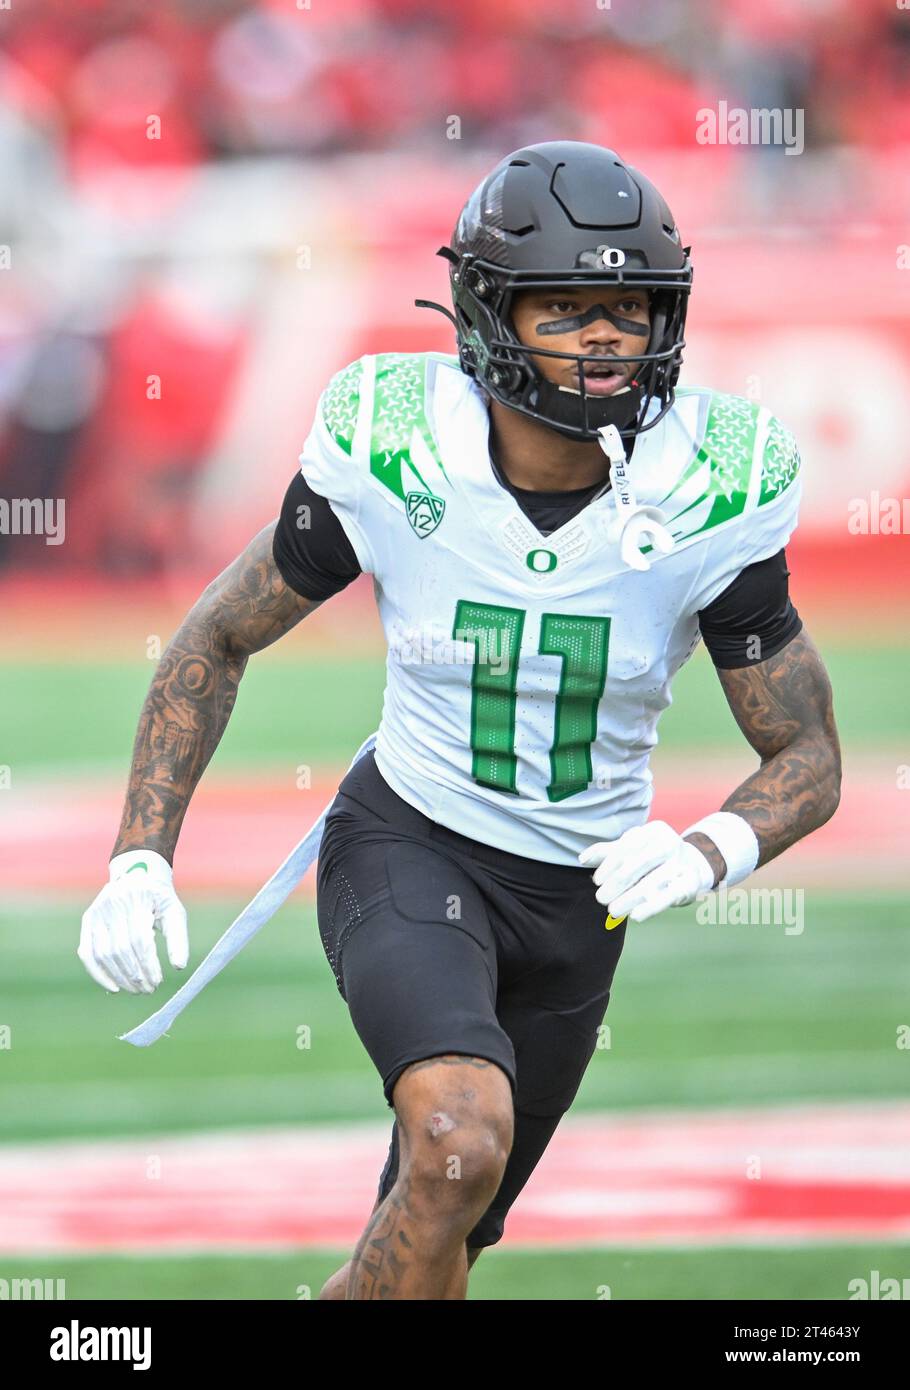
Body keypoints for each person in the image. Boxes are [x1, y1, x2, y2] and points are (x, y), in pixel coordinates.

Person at [78, 141, 842, 1300]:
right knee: (456, 1142)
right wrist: (140, 855)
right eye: (568, 308)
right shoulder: (399, 449)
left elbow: (807, 752)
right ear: (490, 312)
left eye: (629, 308)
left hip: (582, 899)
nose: (605, 338)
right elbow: (213, 639)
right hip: (413, 839)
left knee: (436, 1240)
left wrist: (706, 847)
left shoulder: (703, 491)